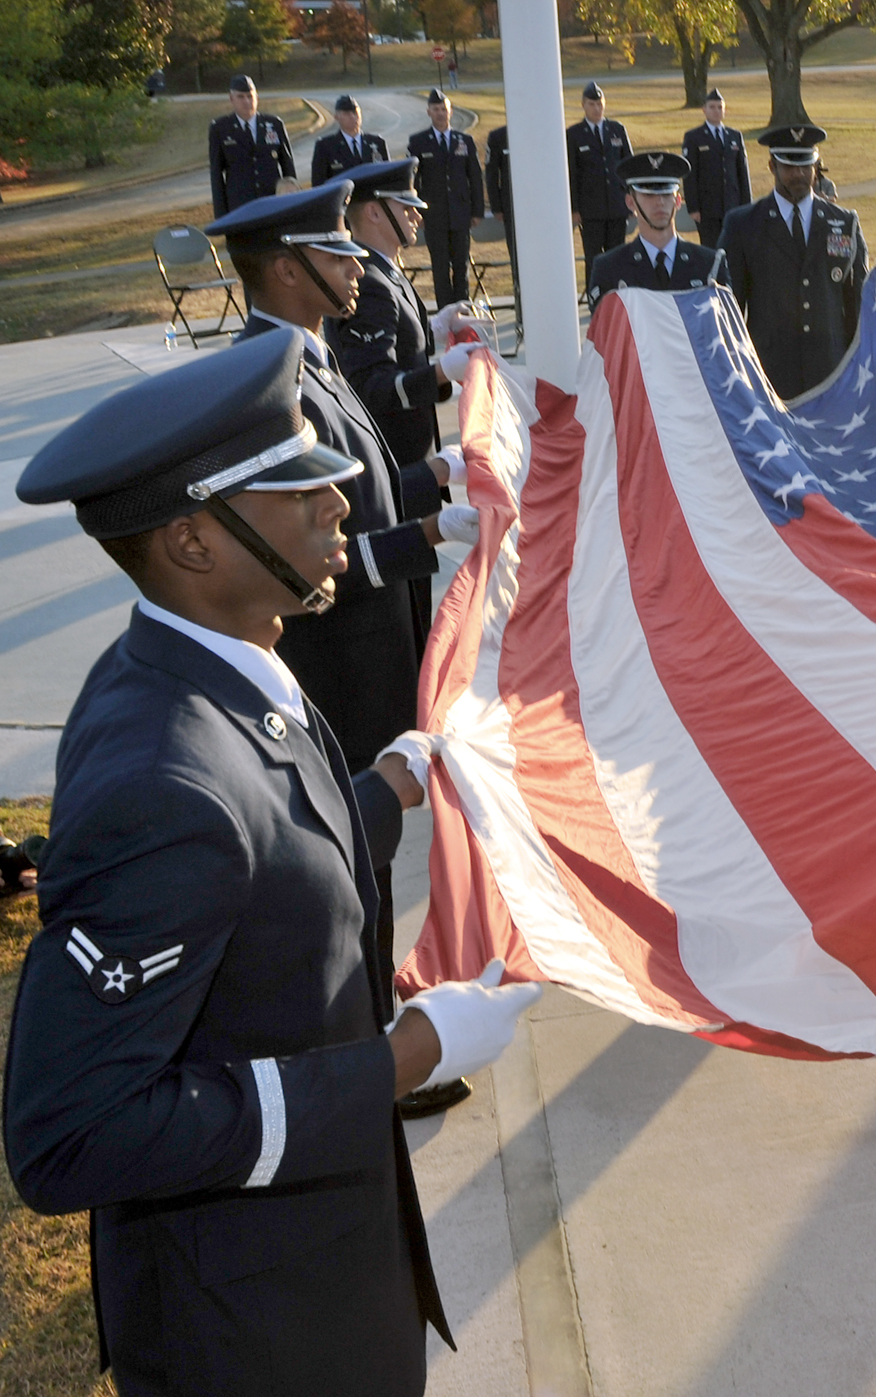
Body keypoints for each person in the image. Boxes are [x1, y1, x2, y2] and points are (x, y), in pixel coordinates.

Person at [5, 328, 542, 1396]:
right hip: (257, 1335)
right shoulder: (163, 781)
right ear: (194, 544)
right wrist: (405, 1054)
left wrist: (387, 788)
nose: (340, 499)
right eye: (300, 487)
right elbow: (72, 1131)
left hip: (318, 1275)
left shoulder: (218, 662)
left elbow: (259, 856)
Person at [208, 183, 483, 1118]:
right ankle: (368, 1055)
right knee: (352, 861)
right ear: (288, 268)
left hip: (375, 651)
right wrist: (428, 536)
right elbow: (303, 563)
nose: (360, 263)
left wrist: (428, 478)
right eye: (339, 252)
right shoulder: (271, 381)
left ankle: (371, 1020)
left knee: (369, 855)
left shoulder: (308, 360)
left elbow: (355, 491)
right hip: (336, 666)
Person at [332, 159, 484, 473]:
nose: (417, 215)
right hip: (395, 461)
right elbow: (372, 387)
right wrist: (441, 372)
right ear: (374, 212)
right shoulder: (370, 283)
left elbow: (393, 342)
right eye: (406, 207)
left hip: (409, 456)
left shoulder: (385, 273)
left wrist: (434, 329)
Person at [718, 123, 869, 401]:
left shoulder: (845, 223)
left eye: (806, 165)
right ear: (772, 166)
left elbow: (858, 306)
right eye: (789, 166)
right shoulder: (744, 225)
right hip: (769, 375)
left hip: (831, 376)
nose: (799, 174)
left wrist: (856, 370)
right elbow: (729, 309)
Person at [586, 151, 728, 310]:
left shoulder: (710, 265)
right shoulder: (609, 268)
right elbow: (604, 330)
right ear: (630, 202)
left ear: (678, 201)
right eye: (648, 194)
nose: (659, 202)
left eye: (667, 194)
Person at [409, 89, 484, 309]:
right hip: (434, 215)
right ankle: (446, 313)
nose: (440, 113)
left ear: (450, 111)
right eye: (436, 109)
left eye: (444, 109)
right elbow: (413, 181)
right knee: (440, 268)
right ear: (428, 112)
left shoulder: (464, 141)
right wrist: (416, 212)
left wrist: (477, 211)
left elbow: (475, 178)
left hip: (460, 214)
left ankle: (463, 310)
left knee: (461, 267)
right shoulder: (419, 142)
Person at [209, 74, 296, 219]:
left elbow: (288, 165)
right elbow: (216, 173)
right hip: (239, 205)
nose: (247, 101)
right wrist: (221, 215)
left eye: (250, 96)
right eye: (241, 97)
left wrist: (294, 201)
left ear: (257, 97)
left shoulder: (274, 125)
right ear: (232, 99)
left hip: (272, 201)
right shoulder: (221, 128)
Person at [569, 81, 634, 272]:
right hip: (590, 210)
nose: (596, 108)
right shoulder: (574, 134)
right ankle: (595, 300)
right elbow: (572, 174)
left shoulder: (616, 129)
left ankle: (617, 299)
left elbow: (628, 166)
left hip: (616, 205)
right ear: (583, 105)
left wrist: (632, 199)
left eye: (599, 104)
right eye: (592, 104)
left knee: (618, 258)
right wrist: (574, 208)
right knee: (594, 260)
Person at [680, 87, 752, 247]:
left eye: (720, 107)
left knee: (734, 248)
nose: (716, 111)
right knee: (711, 248)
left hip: (732, 205)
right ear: (704, 110)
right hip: (707, 208)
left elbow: (742, 173)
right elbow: (690, 175)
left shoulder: (734, 136)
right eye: (712, 107)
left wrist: (747, 206)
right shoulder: (694, 137)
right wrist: (693, 207)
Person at [484, 123, 521, 333]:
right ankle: (521, 311)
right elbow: (491, 173)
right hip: (511, 210)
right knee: (517, 262)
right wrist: (497, 206)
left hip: (538, 211)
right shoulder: (498, 136)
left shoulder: (539, 131)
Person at [311, 94, 388, 187]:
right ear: (336, 117)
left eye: (355, 112)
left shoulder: (377, 143)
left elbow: (388, 177)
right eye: (347, 114)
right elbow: (319, 184)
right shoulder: (325, 147)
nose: (352, 117)